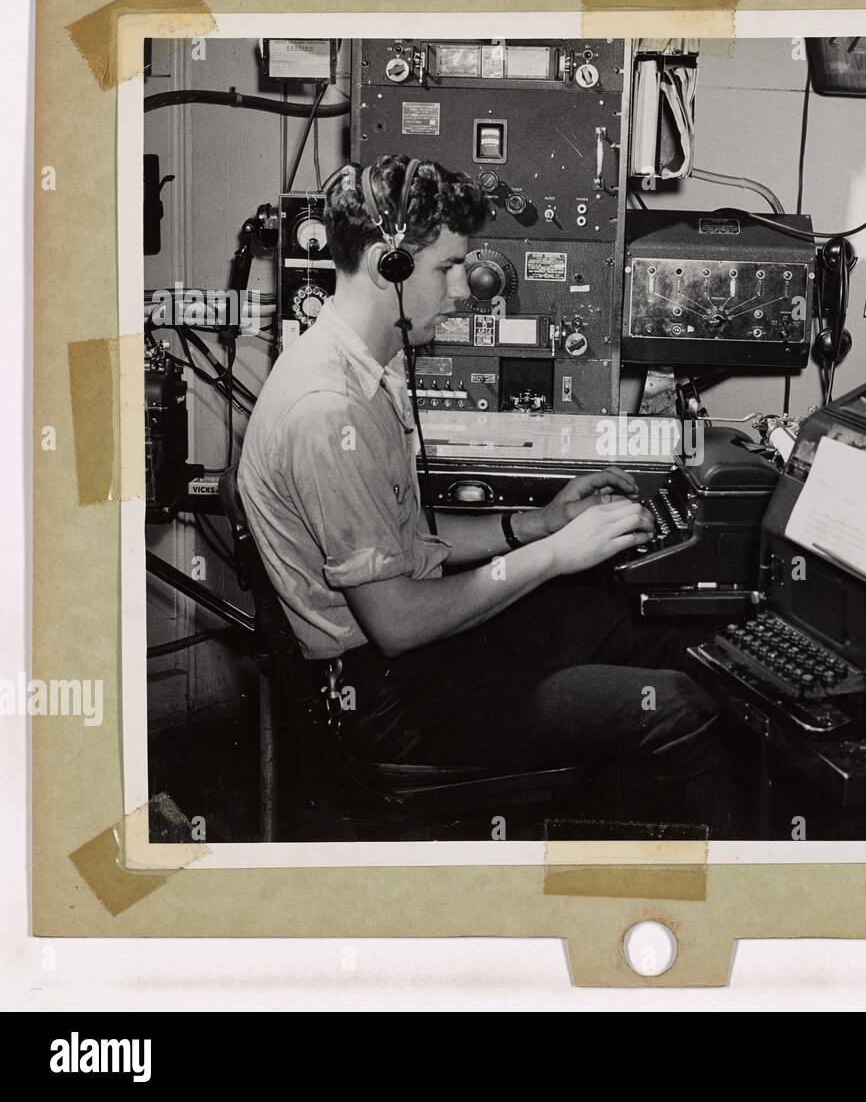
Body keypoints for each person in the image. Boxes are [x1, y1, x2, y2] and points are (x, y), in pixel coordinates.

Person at [238, 154, 731, 832]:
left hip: (406, 661)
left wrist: (536, 525)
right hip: (387, 697)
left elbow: (402, 542)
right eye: (445, 269)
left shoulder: (353, 368)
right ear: (391, 265)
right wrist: (556, 557)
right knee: (669, 707)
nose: (463, 290)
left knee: (627, 620)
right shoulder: (329, 409)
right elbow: (399, 621)